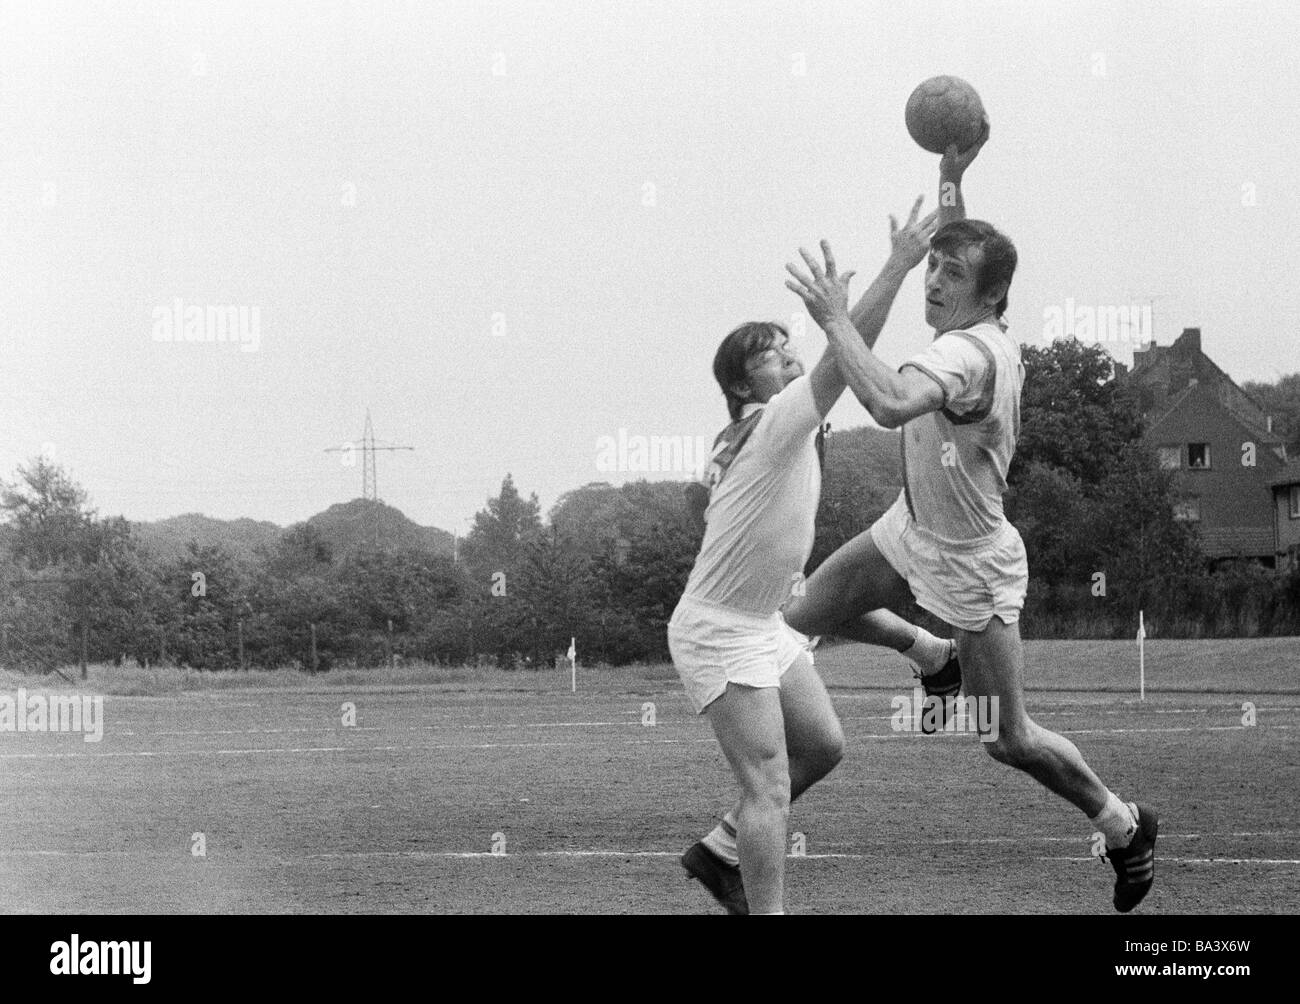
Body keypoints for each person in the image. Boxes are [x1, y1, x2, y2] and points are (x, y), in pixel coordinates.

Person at [781, 131, 1158, 913]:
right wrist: (949, 177)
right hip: (909, 529)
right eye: (933, 267)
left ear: (991, 298)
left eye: (953, 275)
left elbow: (888, 403)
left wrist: (836, 319)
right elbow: (964, 250)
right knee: (793, 621)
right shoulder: (970, 326)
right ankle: (930, 657)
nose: (934, 280)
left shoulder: (970, 357)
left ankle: (1124, 826)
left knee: (1007, 739)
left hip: (970, 563)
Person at [672, 201, 948, 915]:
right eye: (772, 355)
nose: (791, 357)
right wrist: (897, 265)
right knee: (768, 784)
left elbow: (835, 367)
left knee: (822, 747)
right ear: (742, 386)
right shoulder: (768, 424)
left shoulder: (771, 428)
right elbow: (843, 361)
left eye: (788, 348)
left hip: (759, 621)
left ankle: (720, 852)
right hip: (720, 630)